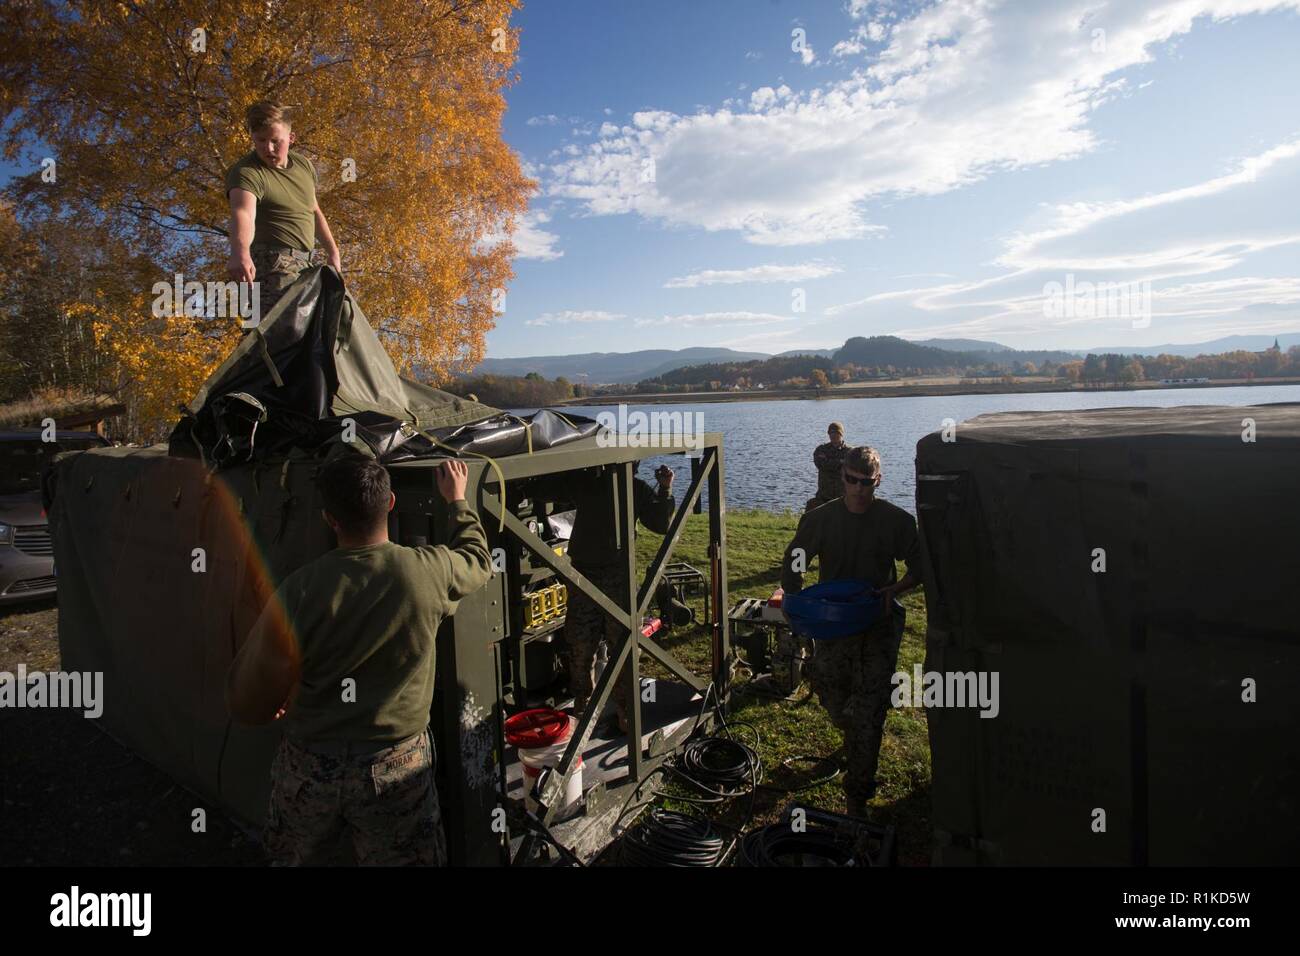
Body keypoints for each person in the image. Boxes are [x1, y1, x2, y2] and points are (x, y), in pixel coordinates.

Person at [225, 455, 492, 865]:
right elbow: (477, 560)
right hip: (397, 768)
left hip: (309, 764)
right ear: (390, 504)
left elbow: (248, 692)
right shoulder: (426, 572)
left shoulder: (300, 590)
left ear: (331, 519)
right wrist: (456, 500)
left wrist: (278, 695)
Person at [781, 446, 921, 814]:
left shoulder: (896, 521)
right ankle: (852, 731)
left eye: (867, 482)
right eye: (853, 480)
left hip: (878, 621)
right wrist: (795, 596)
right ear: (842, 477)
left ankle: (857, 795)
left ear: (878, 480)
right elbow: (796, 556)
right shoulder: (820, 519)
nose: (860, 489)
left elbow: (921, 565)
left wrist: (896, 588)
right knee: (828, 688)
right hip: (832, 621)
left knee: (870, 708)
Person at [543, 463, 674, 735]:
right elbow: (553, 489)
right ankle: (583, 705)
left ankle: (625, 710)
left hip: (618, 574)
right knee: (580, 639)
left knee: (623, 644)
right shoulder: (586, 481)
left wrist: (665, 488)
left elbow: (660, 523)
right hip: (584, 572)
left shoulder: (635, 487)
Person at [225, 100, 342, 319]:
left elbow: (313, 210)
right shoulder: (246, 172)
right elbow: (243, 213)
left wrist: (333, 252)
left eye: (275, 141)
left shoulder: (304, 166)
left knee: (315, 335)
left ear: (291, 138)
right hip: (271, 264)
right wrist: (239, 252)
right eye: (260, 140)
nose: (268, 148)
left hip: (307, 265)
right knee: (277, 337)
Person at [806, 421, 848, 512]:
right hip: (824, 495)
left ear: (841, 434)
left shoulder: (850, 452)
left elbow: (851, 468)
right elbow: (821, 464)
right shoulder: (821, 449)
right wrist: (840, 462)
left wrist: (829, 461)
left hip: (843, 496)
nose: (833, 435)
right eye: (831, 433)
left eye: (836, 433)